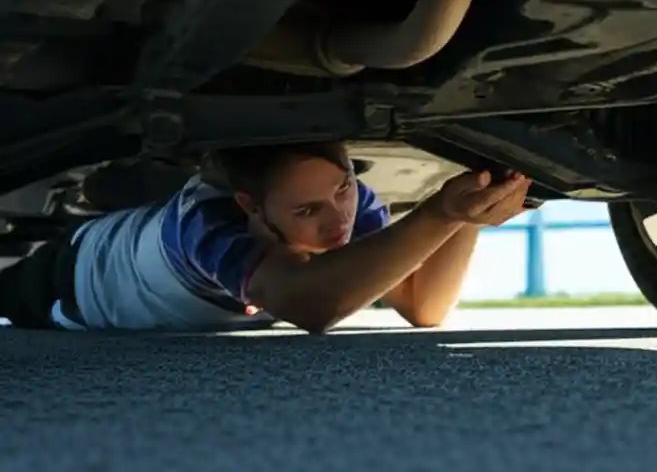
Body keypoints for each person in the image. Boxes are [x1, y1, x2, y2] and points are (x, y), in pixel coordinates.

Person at [0, 141, 532, 333]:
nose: (337, 221)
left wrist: (468, 213)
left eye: (343, 188)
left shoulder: (349, 207)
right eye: (307, 209)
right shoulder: (207, 225)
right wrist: (439, 212)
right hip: (70, 280)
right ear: (249, 207)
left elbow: (423, 308)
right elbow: (311, 305)